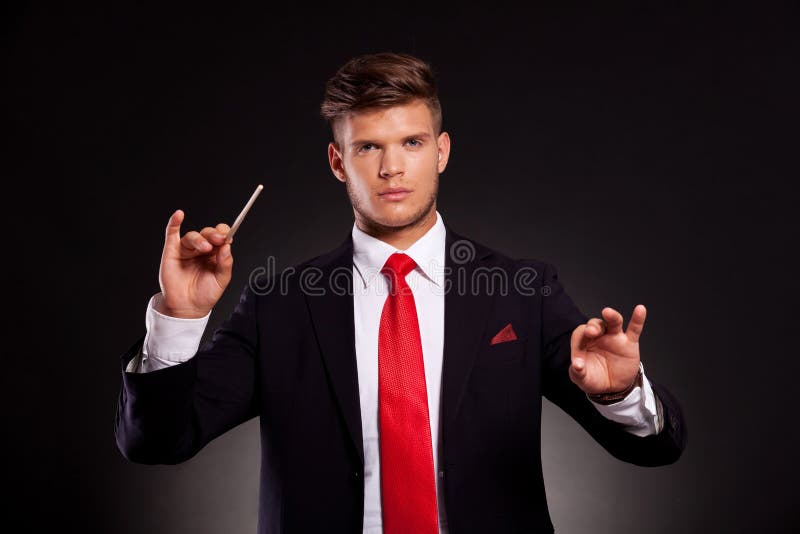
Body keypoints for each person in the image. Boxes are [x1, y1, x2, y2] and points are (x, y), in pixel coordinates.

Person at [115, 52, 687, 534]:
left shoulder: (523, 291)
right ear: (339, 162)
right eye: (368, 148)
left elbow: (655, 448)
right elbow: (157, 442)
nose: (392, 167)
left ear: (440, 151)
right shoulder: (280, 306)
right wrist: (179, 318)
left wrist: (620, 397)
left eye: (410, 142)